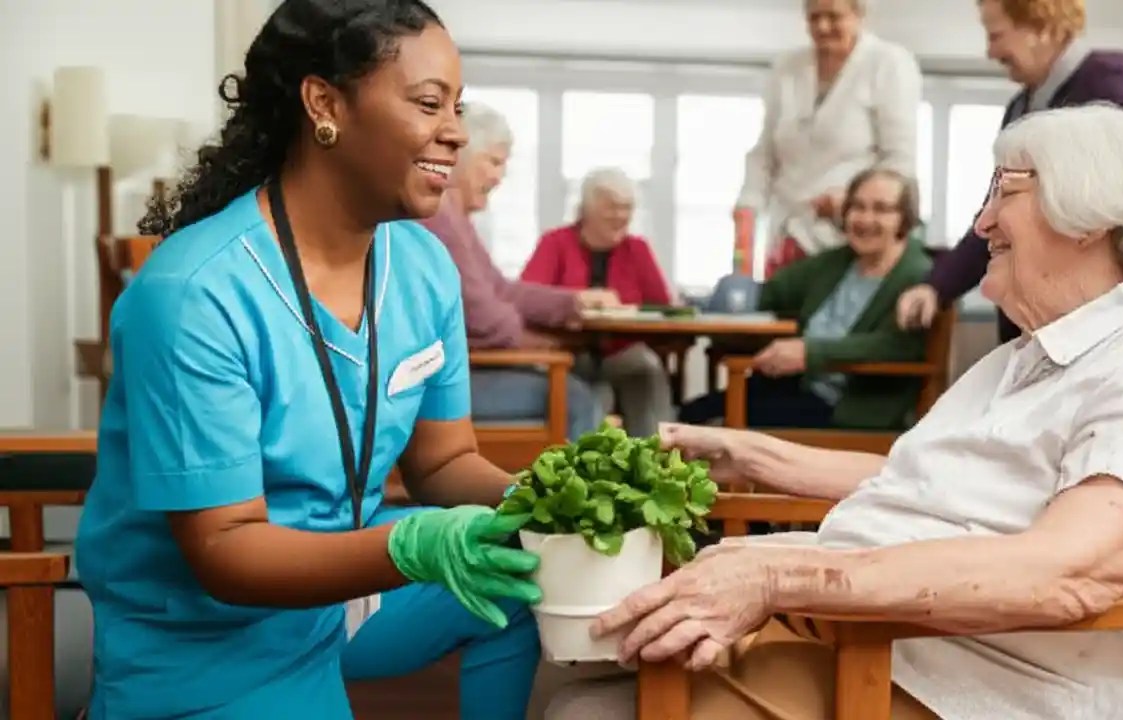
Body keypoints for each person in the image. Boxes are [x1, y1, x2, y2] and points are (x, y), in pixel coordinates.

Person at [546, 106, 1123, 720]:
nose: (982, 222)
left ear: (1091, 214)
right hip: (890, 645)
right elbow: (924, 479)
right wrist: (753, 454)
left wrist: (776, 578)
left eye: (1005, 190)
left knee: (590, 707)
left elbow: (1067, 572)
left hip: (992, 684)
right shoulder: (1032, 357)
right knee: (579, 668)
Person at [75, 3, 544, 718]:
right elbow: (225, 552)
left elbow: (443, 462)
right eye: (428, 104)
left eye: (457, 106)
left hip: (335, 605)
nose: (454, 131)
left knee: (529, 585)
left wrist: (543, 509)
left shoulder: (423, 267)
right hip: (203, 655)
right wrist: (409, 545)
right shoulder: (193, 296)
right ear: (324, 103)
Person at [897, 0, 1123, 343]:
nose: (990, 52)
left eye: (995, 35)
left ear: (1041, 26)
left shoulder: (1109, 78)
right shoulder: (1021, 108)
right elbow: (999, 217)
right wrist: (936, 285)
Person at [682, 168, 931, 430]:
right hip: (797, 383)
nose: (865, 219)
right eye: (857, 206)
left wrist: (809, 352)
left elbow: (899, 346)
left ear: (905, 219)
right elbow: (771, 292)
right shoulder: (840, 261)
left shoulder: (918, 274)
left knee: (706, 424)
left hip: (847, 404)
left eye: (881, 209)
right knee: (692, 413)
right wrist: (721, 296)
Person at [423, 102, 609, 440]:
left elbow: (501, 291)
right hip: (445, 380)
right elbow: (484, 320)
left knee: (590, 382)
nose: (499, 177)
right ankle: (578, 493)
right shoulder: (439, 216)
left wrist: (573, 303)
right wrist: (547, 342)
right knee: (578, 397)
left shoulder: (456, 218)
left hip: (459, 368)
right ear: (461, 155)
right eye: (493, 162)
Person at [735, 0, 922, 279]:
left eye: (834, 17)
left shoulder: (888, 63)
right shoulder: (787, 67)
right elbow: (765, 153)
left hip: (851, 237)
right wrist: (747, 207)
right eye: (814, 17)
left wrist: (852, 201)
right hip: (788, 231)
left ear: (859, 14)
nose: (823, 27)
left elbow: (899, 160)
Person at [522, 167, 674, 436]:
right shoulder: (555, 243)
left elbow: (662, 307)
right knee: (596, 395)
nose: (621, 216)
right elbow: (527, 300)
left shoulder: (637, 249)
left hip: (621, 351)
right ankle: (589, 470)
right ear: (586, 210)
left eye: (627, 208)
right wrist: (576, 303)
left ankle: (654, 461)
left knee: (646, 368)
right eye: (611, 207)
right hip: (566, 353)